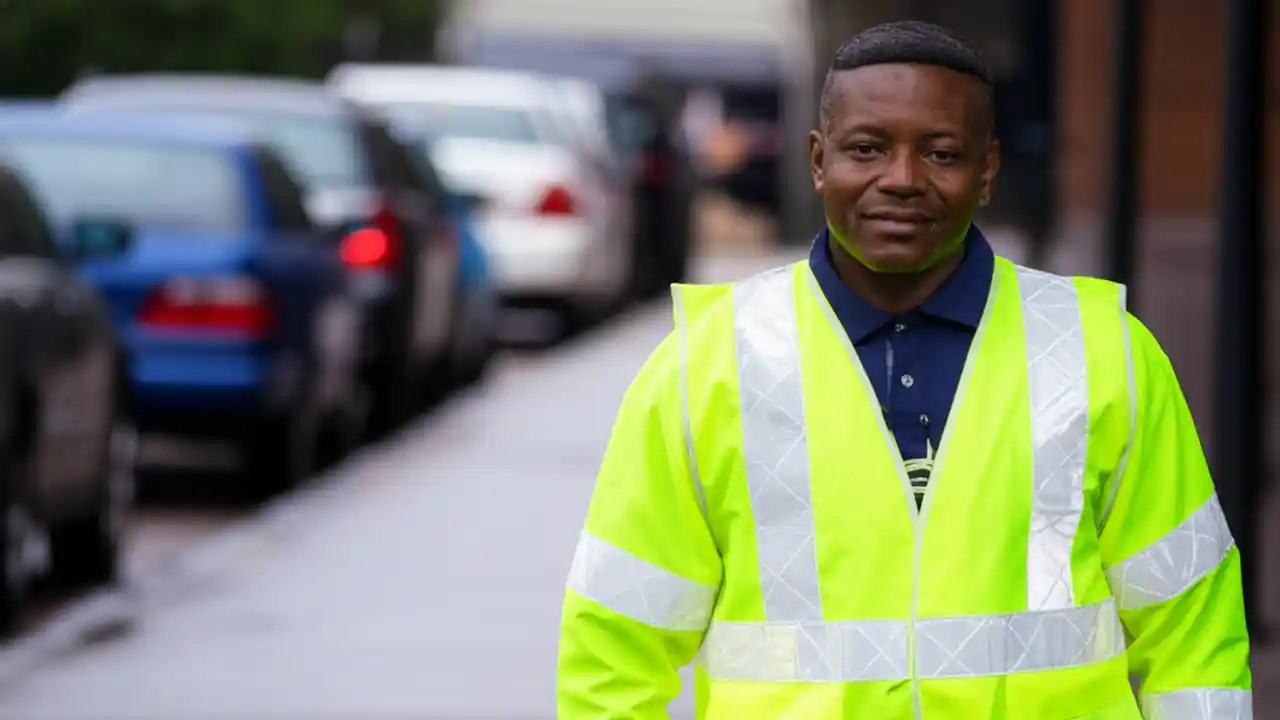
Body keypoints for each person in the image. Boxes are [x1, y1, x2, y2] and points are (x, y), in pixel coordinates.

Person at [556, 20, 1251, 720]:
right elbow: (613, 653)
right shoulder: (707, 363)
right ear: (818, 161)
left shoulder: (1105, 353)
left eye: (942, 153)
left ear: (987, 171)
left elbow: (1193, 634)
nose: (902, 179)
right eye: (867, 148)